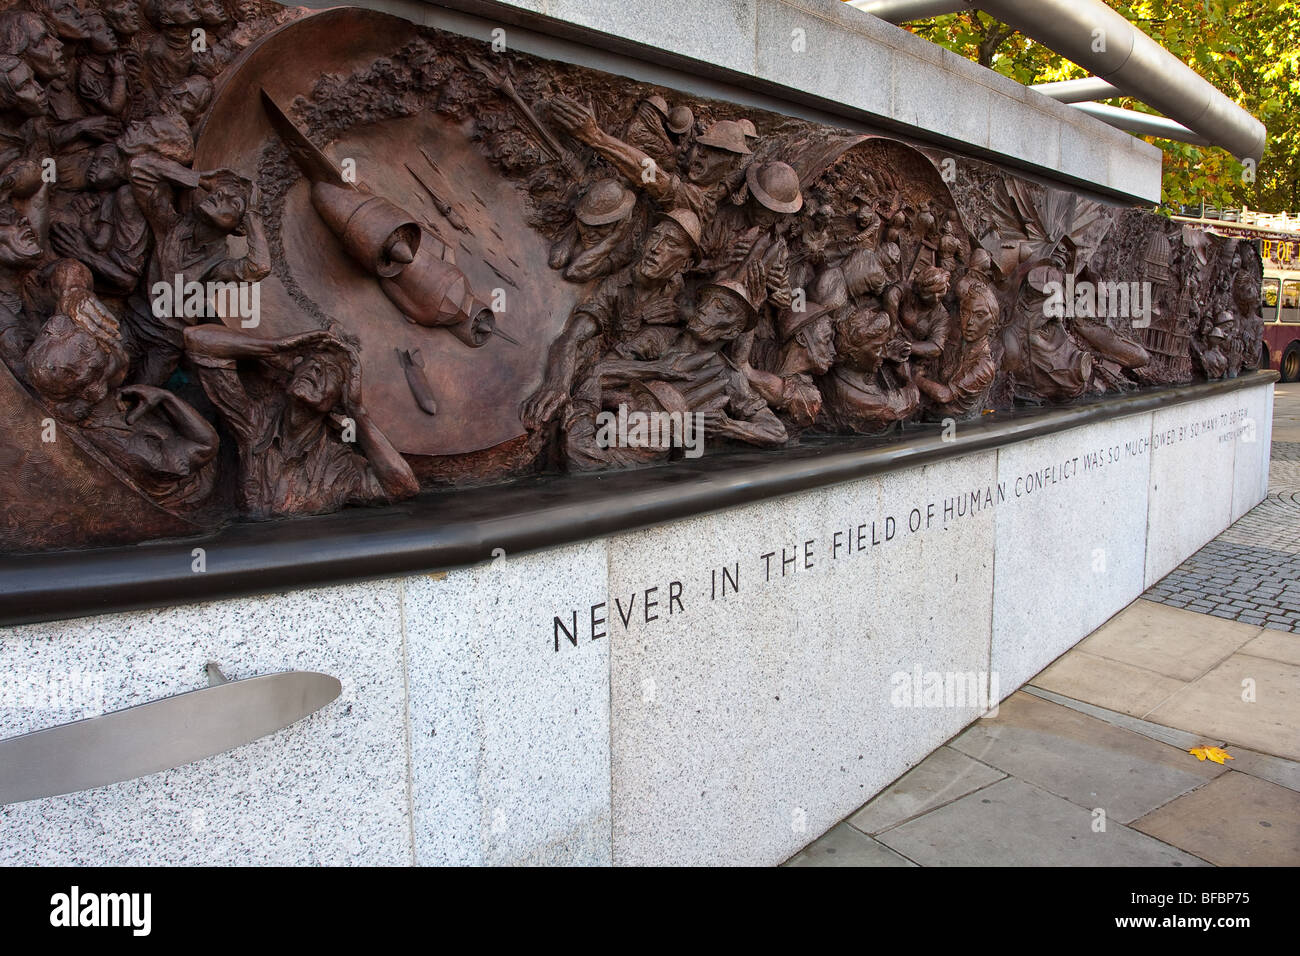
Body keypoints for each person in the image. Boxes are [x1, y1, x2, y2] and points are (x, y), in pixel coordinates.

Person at [184, 323, 419, 519]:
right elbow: (196, 340)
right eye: (311, 361)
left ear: (339, 403)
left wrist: (357, 411)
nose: (316, 368)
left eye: (332, 372)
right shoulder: (257, 424)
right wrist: (273, 346)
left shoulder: (338, 465)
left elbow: (402, 487)